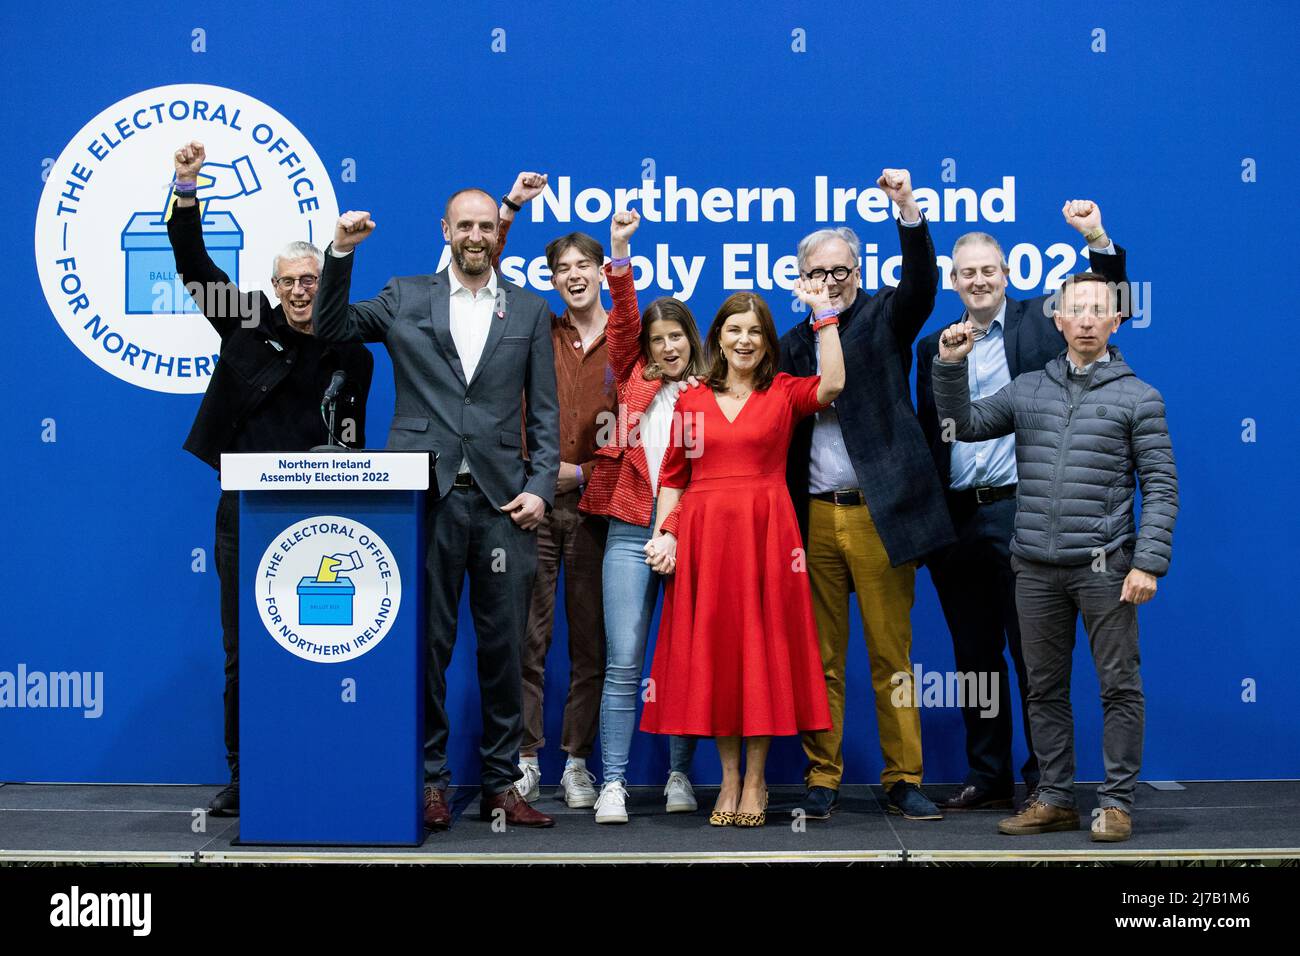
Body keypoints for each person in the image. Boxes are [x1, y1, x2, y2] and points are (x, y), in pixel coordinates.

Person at [312, 188, 560, 830]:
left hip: (508, 505)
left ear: (495, 235)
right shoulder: (404, 294)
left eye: (485, 225)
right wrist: (339, 251)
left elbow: (546, 413)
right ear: (444, 229)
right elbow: (330, 326)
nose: (476, 235)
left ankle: (502, 785)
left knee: (507, 650)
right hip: (425, 499)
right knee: (427, 647)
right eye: (465, 225)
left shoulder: (530, 308)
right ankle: (429, 782)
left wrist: (539, 485)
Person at [165, 140, 374, 817]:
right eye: (288, 281)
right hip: (244, 513)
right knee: (242, 650)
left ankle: (320, 760)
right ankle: (245, 772)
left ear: (326, 281)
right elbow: (194, 267)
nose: (299, 291)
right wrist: (187, 185)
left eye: (310, 279)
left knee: (321, 644)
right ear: (273, 286)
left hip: (319, 522)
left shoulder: (351, 351)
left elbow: (353, 439)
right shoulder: (245, 319)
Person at [931, 272, 1177, 843]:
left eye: (1099, 311)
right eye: (1076, 311)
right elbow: (962, 425)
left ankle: (1115, 804)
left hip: (1106, 567)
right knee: (1043, 688)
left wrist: (1148, 563)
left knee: (1119, 686)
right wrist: (949, 366)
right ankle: (1055, 798)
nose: (1087, 320)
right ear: (1057, 320)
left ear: (1117, 322)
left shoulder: (1139, 397)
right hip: (1034, 567)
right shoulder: (1028, 389)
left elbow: (1161, 486)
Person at [915, 200, 1130, 812]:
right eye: (966, 273)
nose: (978, 281)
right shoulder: (935, 344)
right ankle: (987, 775)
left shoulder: (1044, 322)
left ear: (1006, 275)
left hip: (1025, 513)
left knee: (1033, 653)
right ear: (953, 282)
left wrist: (1095, 235)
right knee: (974, 656)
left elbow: (1110, 298)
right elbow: (936, 431)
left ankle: (1046, 778)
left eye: (989, 270)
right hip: (957, 520)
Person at [778, 169, 949, 822]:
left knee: (890, 656)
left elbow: (923, 282)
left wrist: (906, 208)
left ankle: (903, 777)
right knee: (820, 657)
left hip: (881, 515)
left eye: (842, 269)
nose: (831, 280)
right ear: (801, 277)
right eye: (819, 272)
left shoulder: (884, 315)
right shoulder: (789, 344)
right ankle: (822, 776)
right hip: (814, 519)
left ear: (858, 269)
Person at [641, 283, 844, 827]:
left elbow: (834, 383)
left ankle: (757, 779)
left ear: (767, 339)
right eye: (735, 329)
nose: (745, 339)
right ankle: (727, 778)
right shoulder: (691, 399)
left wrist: (824, 316)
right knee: (724, 656)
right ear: (719, 338)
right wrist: (666, 535)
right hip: (705, 541)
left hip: (768, 538)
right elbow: (674, 478)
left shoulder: (783, 392)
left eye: (755, 331)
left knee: (760, 652)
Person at [572, 210, 710, 824]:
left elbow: (715, 479)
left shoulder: (713, 392)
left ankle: (681, 774)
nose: (666, 346)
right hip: (630, 535)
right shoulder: (630, 376)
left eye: (675, 335)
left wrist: (675, 532)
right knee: (624, 659)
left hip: (691, 538)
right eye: (657, 340)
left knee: (684, 660)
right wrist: (620, 254)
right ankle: (614, 784)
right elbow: (624, 318)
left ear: (691, 338)